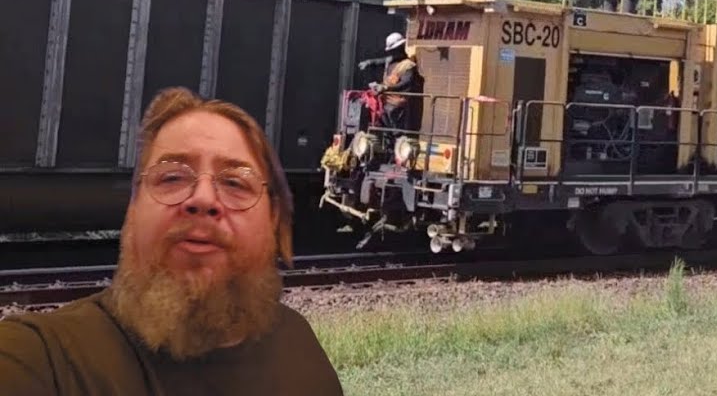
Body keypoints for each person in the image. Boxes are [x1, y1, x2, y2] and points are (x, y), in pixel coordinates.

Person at [0, 87, 344, 395]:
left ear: (273, 220)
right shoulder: (42, 358)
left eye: (236, 183)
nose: (203, 197)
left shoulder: (300, 348)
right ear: (132, 212)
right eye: (173, 177)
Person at [372, 31, 422, 132]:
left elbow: (406, 83)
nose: (391, 53)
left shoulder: (408, 65)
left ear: (400, 48)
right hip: (386, 103)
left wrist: (386, 88)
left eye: (393, 50)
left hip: (400, 105)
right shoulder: (390, 65)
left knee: (393, 117)